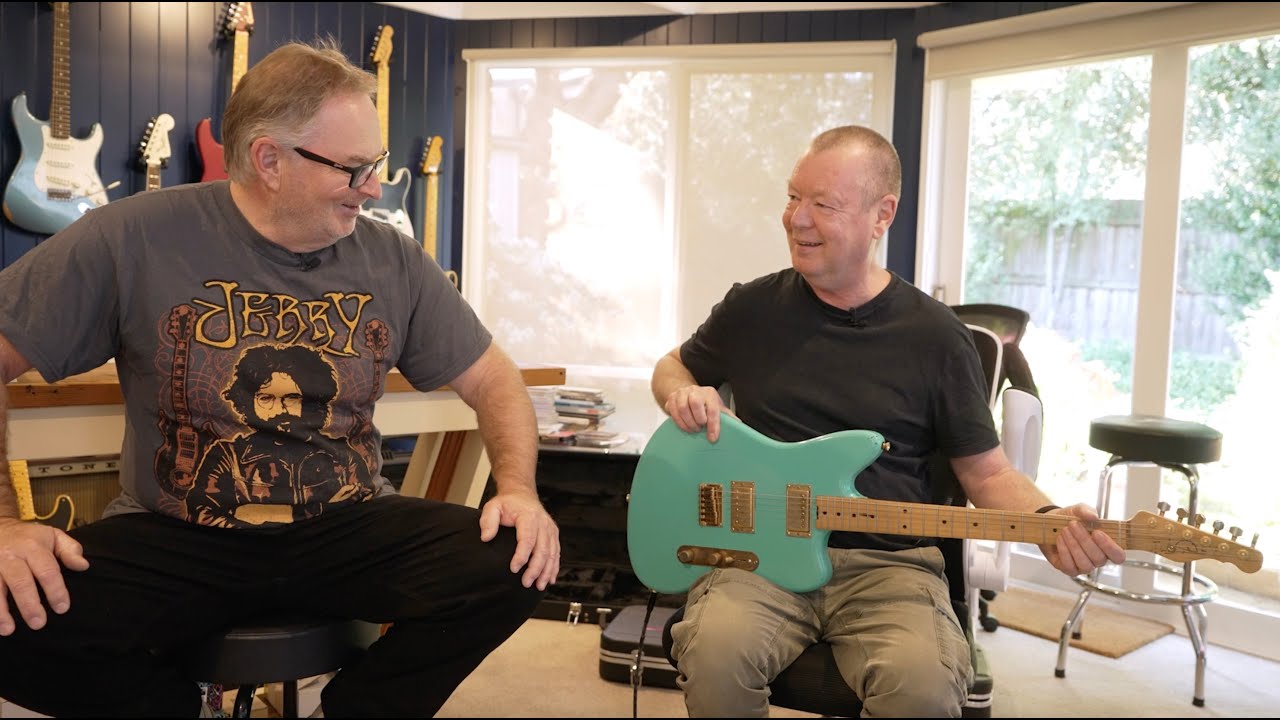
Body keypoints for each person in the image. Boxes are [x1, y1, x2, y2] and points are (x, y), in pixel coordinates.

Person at [0, 40, 559, 717]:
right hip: (177, 536)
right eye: (354, 168)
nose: (374, 188)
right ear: (269, 159)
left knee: (516, 560)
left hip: (347, 528)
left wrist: (520, 491)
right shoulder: (131, 236)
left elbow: (494, 378)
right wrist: (4, 525)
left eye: (375, 165)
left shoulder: (392, 258)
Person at [650, 125, 1125, 718]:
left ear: (882, 215)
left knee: (922, 688)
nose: (797, 218)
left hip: (891, 568)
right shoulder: (751, 308)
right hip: (761, 558)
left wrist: (1048, 521)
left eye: (823, 204)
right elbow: (672, 367)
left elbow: (986, 472)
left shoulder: (939, 338)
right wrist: (683, 395)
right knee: (717, 656)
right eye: (794, 196)